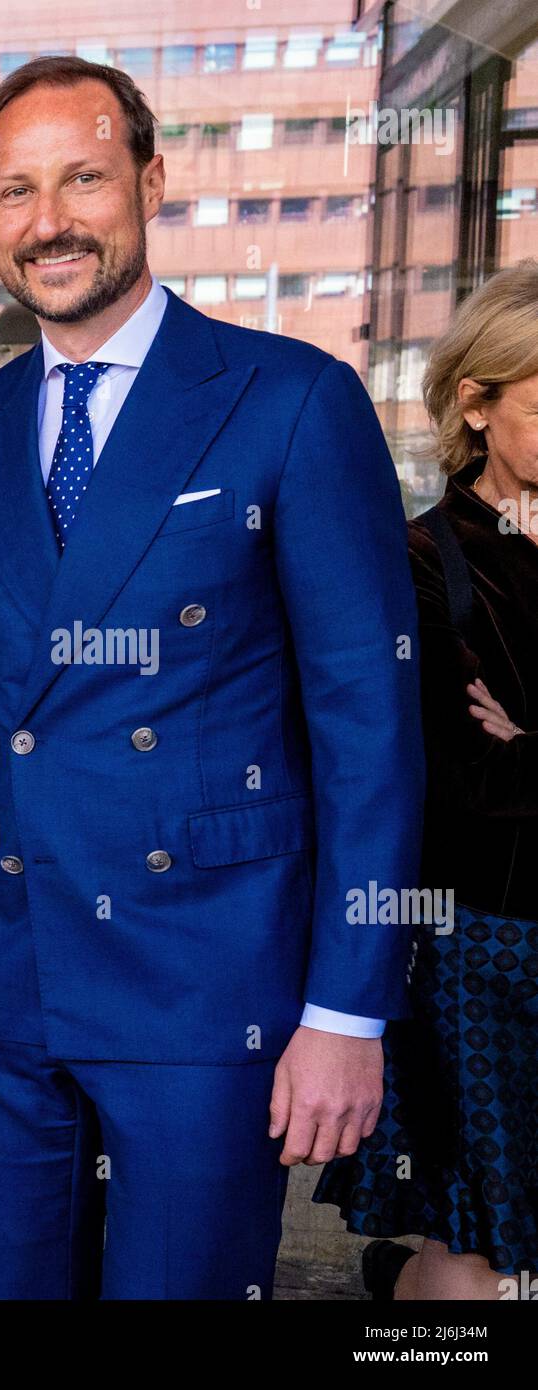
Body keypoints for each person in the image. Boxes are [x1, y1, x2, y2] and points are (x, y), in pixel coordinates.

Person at [0, 55, 425, 1301]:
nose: (49, 220)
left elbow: (368, 728)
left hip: (208, 975)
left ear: (151, 181)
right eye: (15, 192)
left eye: (82, 176)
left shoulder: (288, 401)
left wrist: (348, 1010)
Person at [314, 261, 538, 1300]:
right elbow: (458, 784)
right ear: (474, 402)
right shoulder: (411, 563)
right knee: (479, 1265)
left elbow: (508, 767)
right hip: (479, 955)